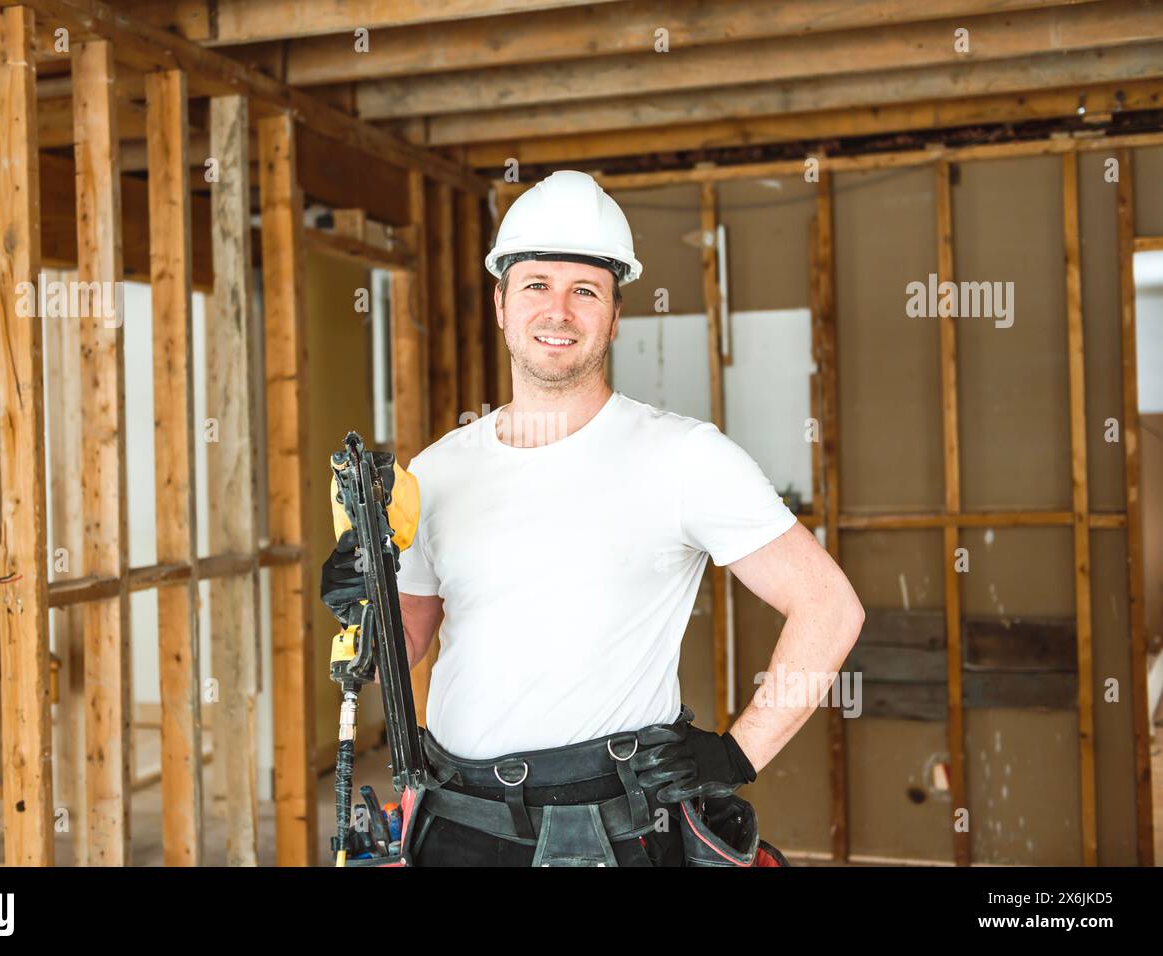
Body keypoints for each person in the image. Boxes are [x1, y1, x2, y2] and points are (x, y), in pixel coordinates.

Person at [321, 169, 864, 867]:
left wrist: (737, 751)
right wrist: (361, 605)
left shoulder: (684, 457)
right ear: (501, 303)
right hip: (455, 825)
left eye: (585, 291)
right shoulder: (437, 471)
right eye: (537, 286)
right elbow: (405, 643)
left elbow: (829, 606)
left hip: (611, 831)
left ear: (613, 314)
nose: (559, 311)